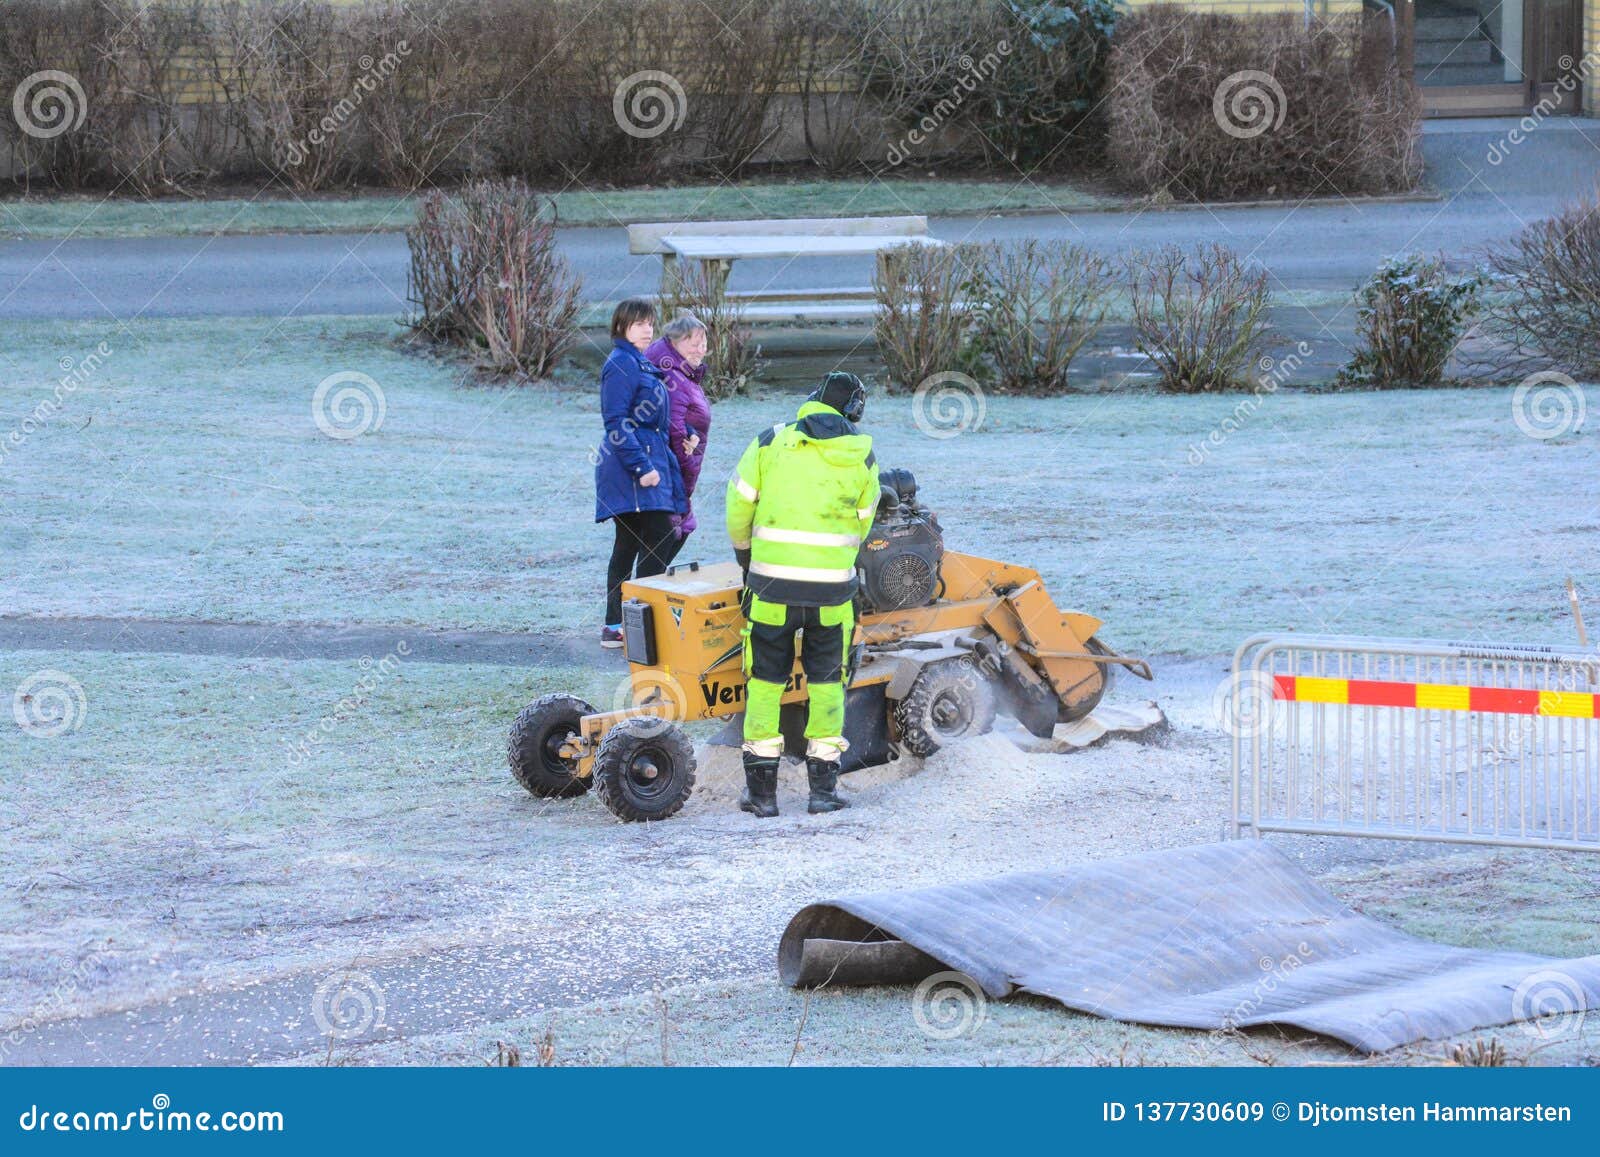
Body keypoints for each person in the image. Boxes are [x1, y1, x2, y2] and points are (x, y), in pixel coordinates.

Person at [724, 371, 877, 817]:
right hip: (833, 597)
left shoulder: (770, 442)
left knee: (766, 684)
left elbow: (738, 505)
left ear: (811, 400)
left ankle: (762, 795)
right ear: (853, 413)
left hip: (771, 590)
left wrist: (746, 556)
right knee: (828, 686)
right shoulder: (864, 459)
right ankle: (823, 793)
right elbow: (864, 526)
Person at [595, 297, 684, 649]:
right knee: (660, 536)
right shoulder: (621, 364)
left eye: (650, 323)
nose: (647, 329)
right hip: (630, 471)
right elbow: (615, 423)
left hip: (643, 463)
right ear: (621, 327)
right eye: (638, 324)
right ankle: (636, 622)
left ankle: (619, 625)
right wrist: (642, 467)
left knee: (630, 543)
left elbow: (652, 420)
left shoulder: (638, 363)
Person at [644, 314, 711, 564]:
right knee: (668, 535)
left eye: (703, 343)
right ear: (675, 342)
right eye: (693, 343)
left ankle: (642, 596)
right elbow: (676, 432)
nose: (700, 350)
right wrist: (686, 473)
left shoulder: (684, 374)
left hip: (679, 474)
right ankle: (641, 598)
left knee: (675, 532)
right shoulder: (674, 377)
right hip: (673, 474)